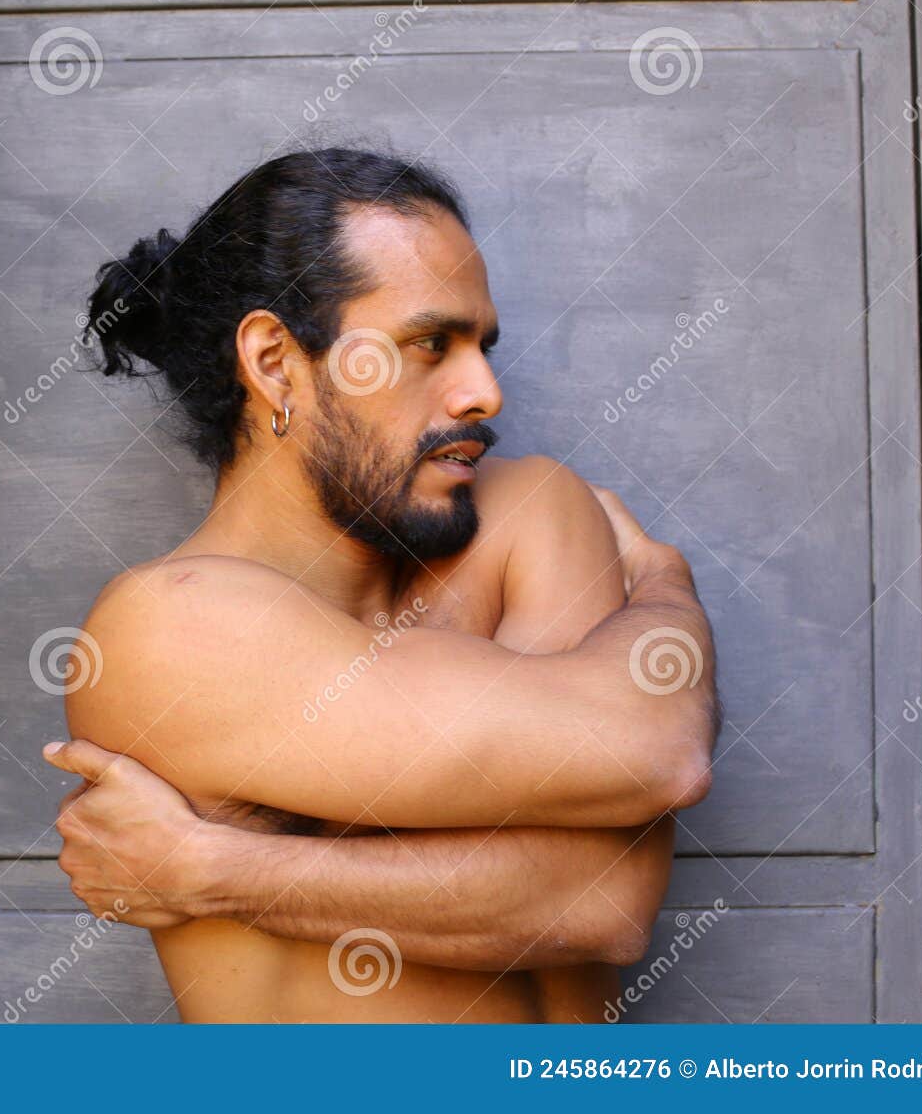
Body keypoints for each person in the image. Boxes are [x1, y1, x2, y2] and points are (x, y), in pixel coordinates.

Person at [41, 148, 718, 1022]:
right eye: (429, 344)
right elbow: (590, 889)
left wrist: (214, 872)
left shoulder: (528, 511)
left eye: (482, 346)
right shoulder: (168, 626)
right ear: (276, 362)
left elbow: (613, 873)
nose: (484, 392)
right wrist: (662, 588)